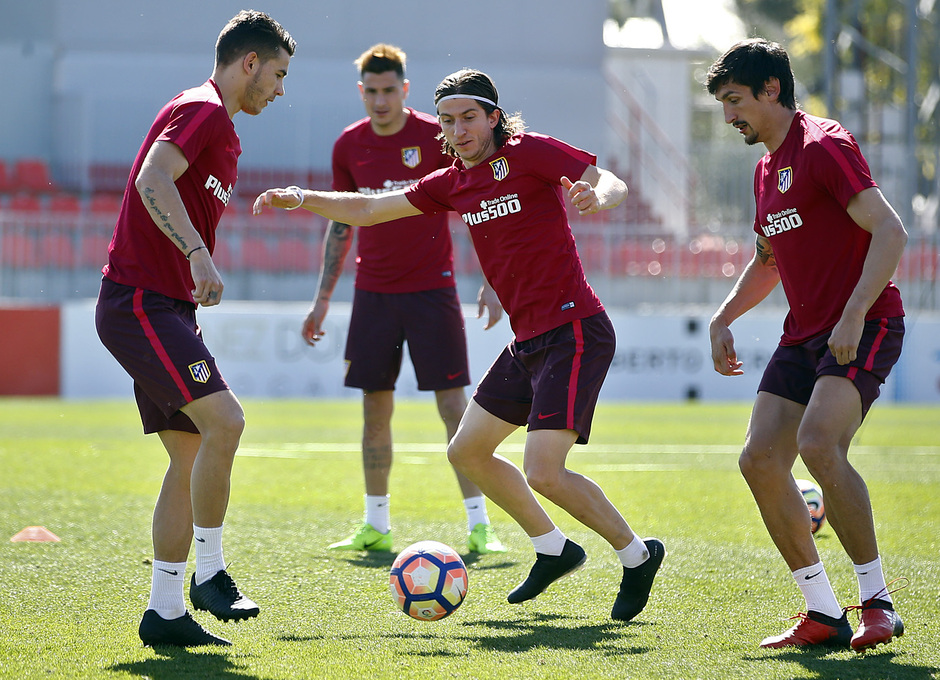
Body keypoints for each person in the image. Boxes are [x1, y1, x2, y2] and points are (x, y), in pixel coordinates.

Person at [254, 68, 665, 621]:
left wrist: (599, 196)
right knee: (466, 451)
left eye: (469, 117)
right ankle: (553, 548)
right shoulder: (452, 182)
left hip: (574, 331)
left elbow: (608, 178)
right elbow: (370, 209)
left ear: (494, 117)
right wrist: (302, 198)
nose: (458, 129)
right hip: (529, 341)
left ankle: (637, 555)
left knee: (544, 471)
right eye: (447, 121)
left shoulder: (530, 152)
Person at [95, 10, 295, 647]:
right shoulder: (202, 108)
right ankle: (210, 573)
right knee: (226, 423)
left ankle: (164, 612)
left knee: (190, 454)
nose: (280, 90)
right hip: (140, 303)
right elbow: (152, 178)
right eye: (278, 75)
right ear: (249, 63)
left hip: (167, 307)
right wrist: (198, 254)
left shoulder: (223, 131)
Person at [705, 38, 907, 651]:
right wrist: (723, 317)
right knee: (760, 461)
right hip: (804, 333)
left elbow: (890, 231)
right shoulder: (766, 169)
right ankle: (822, 611)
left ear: (772, 89)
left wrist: (854, 313)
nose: (728, 116)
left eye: (735, 100)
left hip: (864, 324)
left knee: (819, 443)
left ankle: (878, 603)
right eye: (722, 104)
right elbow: (768, 260)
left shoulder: (823, 145)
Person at [302, 45, 506, 556]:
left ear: (405, 89)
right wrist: (322, 299)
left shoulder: (436, 136)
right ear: (361, 92)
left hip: (433, 292)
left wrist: (492, 278)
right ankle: (376, 523)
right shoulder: (349, 145)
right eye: (371, 91)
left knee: (454, 408)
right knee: (375, 412)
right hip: (372, 295)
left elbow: (478, 202)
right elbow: (342, 223)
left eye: (389, 90)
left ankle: (481, 524)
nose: (380, 100)